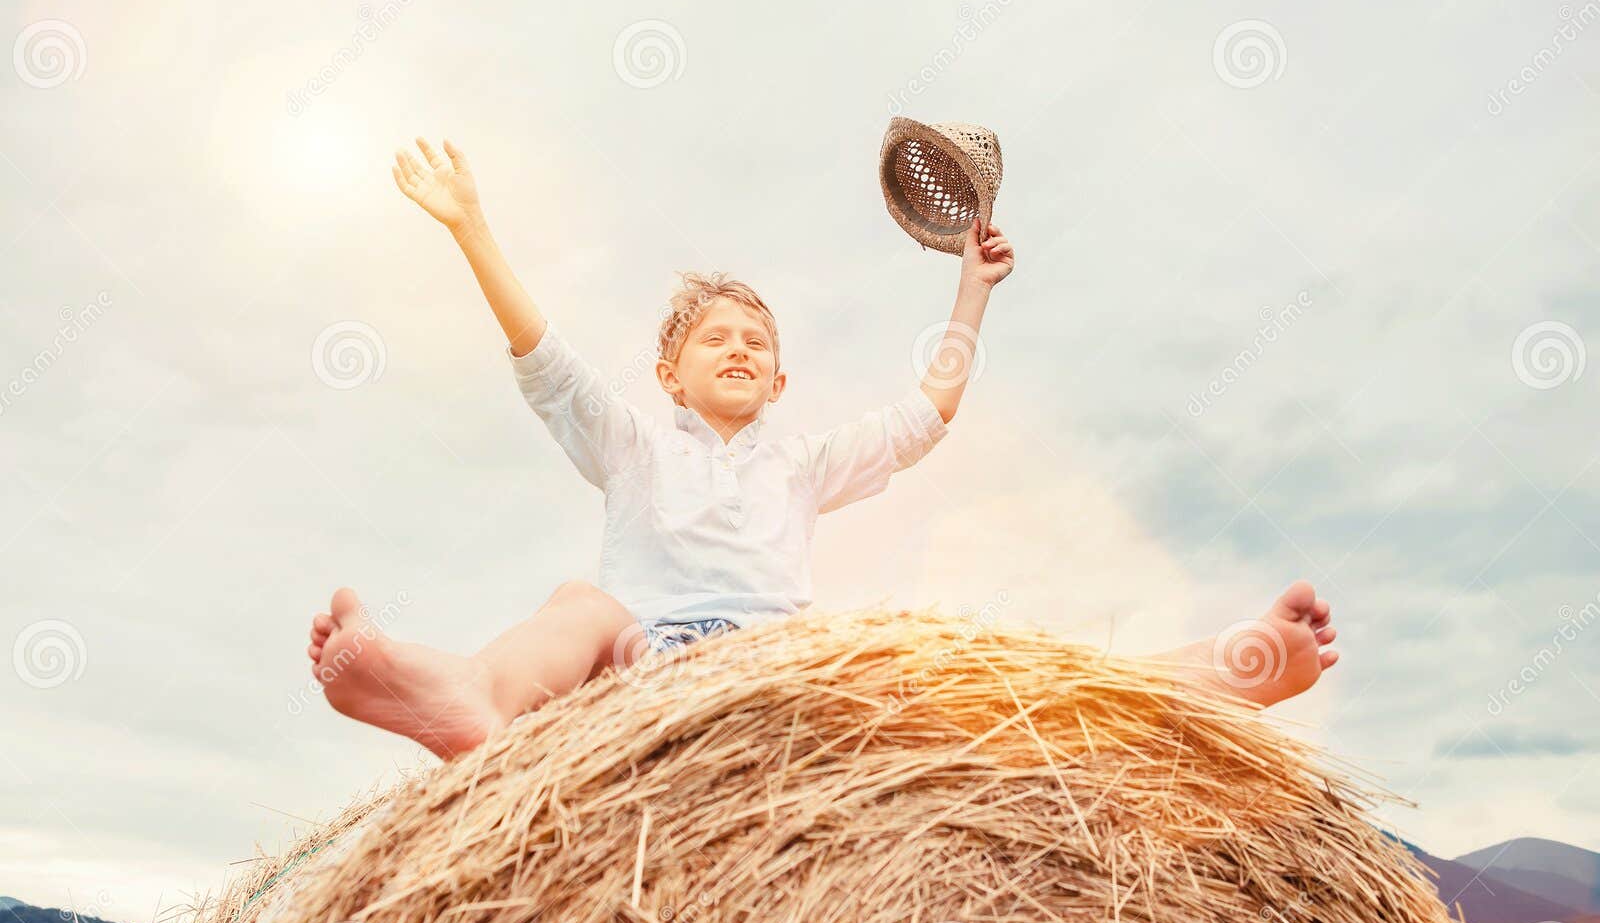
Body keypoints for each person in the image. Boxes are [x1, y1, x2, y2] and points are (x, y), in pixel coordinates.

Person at [305, 137, 1336, 759]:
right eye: (716, 335)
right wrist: (472, 228)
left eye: (758, 339)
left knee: (947, 661)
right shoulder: (627, 440)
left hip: (780, 661)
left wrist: (970, 291)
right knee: (580, 603)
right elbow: (544, 354)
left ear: (783, 380)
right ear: (668, 373)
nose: (740, 346)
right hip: (640, 667)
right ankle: (468, 696)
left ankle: (1185, 678)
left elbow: (925, 415)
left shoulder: (797, 460)